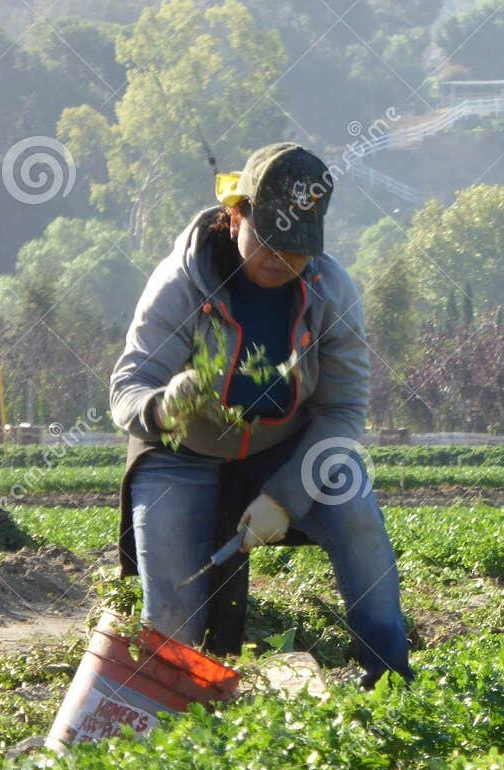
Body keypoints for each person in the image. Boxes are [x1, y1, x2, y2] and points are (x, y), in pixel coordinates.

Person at [109, 142, 411, 688]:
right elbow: (127, 388)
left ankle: (389, 674)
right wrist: (161, 405)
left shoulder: (330, 291)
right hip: (182, 455)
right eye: (266, 239)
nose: (278, 258)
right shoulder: (182, 282)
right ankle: (177, 711)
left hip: (285, 448)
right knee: (174, 623)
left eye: (294, 247)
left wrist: (285, 496)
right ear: (235, 216)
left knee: (355, 504)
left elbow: (343, 411)